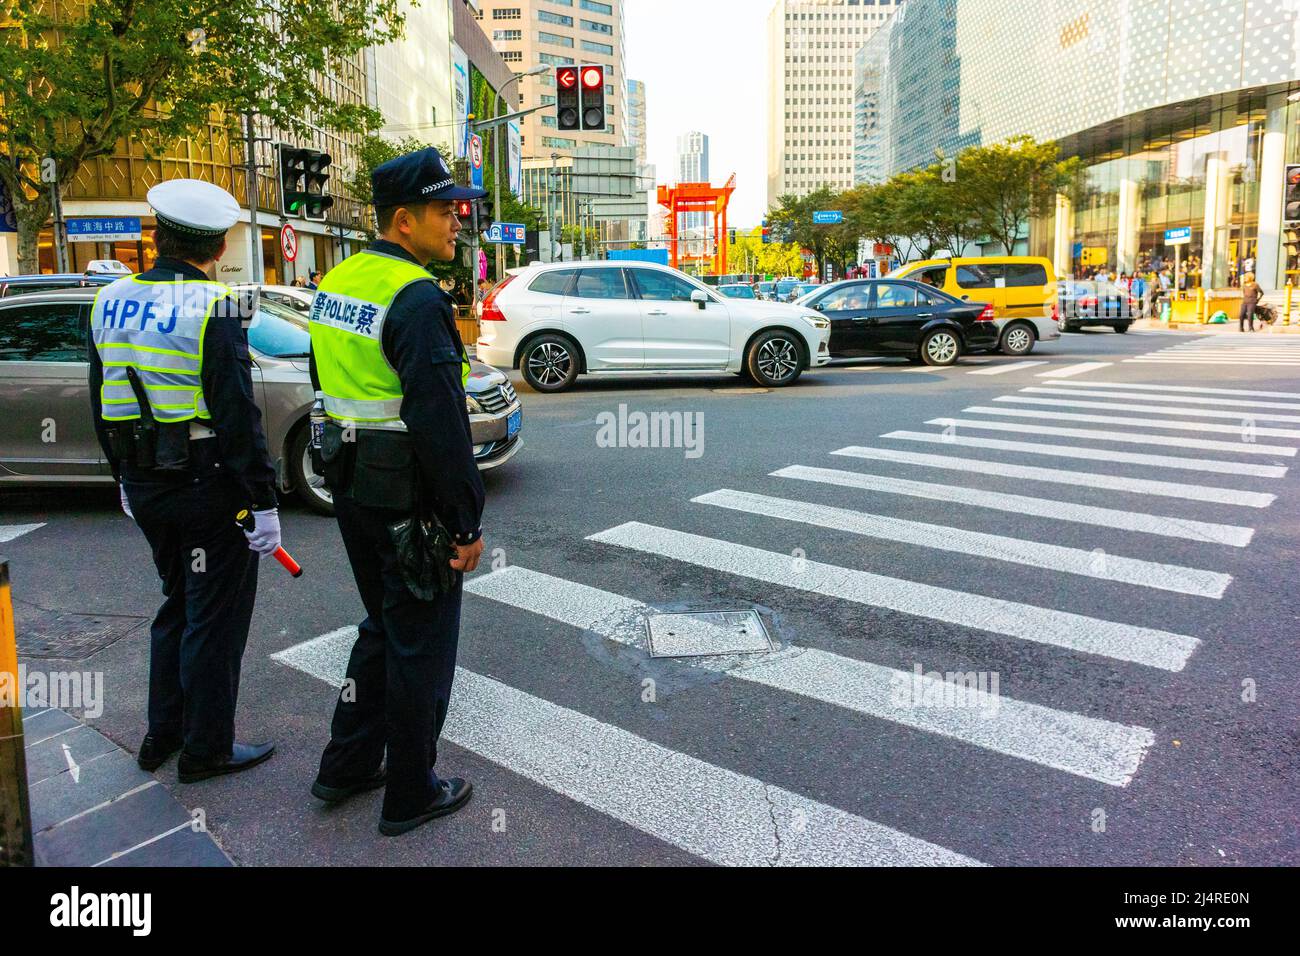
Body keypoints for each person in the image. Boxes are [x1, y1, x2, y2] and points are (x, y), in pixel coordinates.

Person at [308, 147, 486, 837]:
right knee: (421, 647)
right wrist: (466, 524)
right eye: (446, 212)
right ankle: (411, 791)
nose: (457, 224)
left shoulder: (338, 282)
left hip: (353, 488)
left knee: (383, 628)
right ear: (404, 221)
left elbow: (327, 384)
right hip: (410, 502)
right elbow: (441, 424)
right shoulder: (415, 300)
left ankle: (346, 763)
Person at [88, 180, 279, 782]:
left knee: (177, 602)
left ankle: (160, 735)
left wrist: (122, 478)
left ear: (157, 233)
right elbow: (235, 415)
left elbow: (101, 399)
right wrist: (263, 501)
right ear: (221, 244)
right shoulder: (216, 304)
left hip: (144, 482)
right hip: (206, 484)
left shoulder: (108, 299)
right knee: (213, 618)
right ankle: (206, 750)